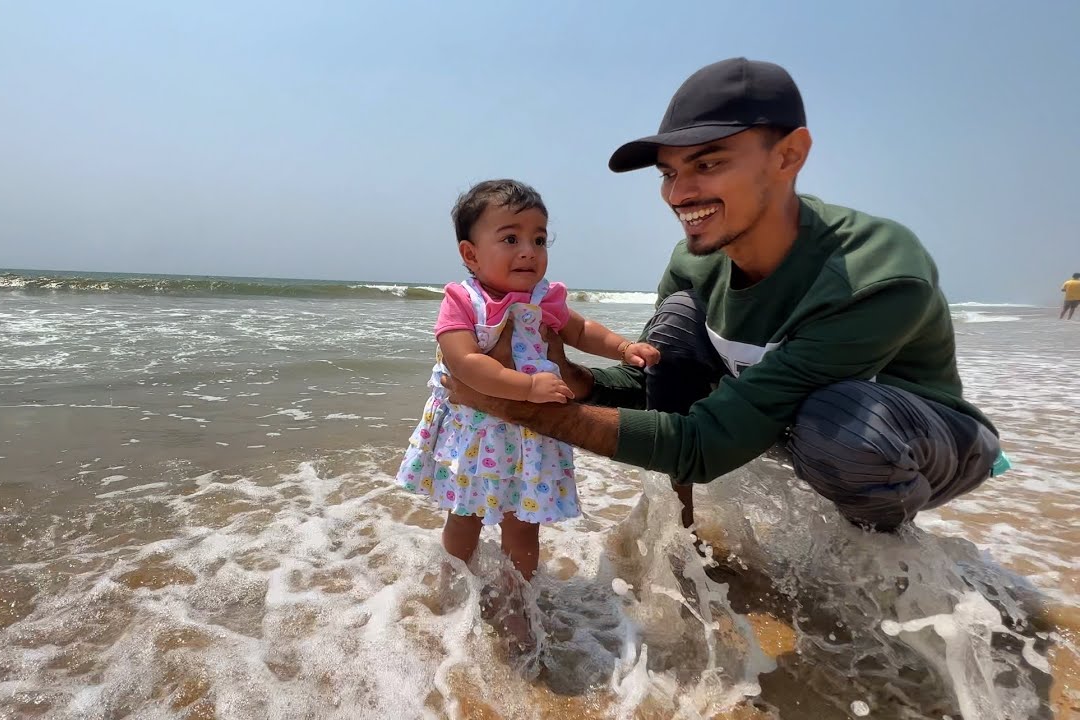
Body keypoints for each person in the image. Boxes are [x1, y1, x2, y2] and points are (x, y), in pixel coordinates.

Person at [441, 58, 1007, 533]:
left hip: (922, 440)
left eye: (708, 163)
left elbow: (705, 443)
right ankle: (682, 538)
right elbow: (663, 388)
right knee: (678, 326)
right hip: (783, 415)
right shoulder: (695, 261)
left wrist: (509, 405)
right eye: (668, 173)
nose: (679, 194)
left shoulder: (874, 274)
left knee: (841, 427)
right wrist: (574, 379)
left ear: (788, 155)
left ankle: (881, 571)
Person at [396, 179, 658, 583]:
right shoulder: (464, 301)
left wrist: (623, 348)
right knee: (465, 516)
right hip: (476, 436)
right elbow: (463, 362)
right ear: (470, 254)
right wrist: (528, 387)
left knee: (523, 524)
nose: (529, 251)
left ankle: (519, 596)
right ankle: (453, 584)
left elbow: (581, 329)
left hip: (531, 435)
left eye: (539, 240)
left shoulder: (544, 298)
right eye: (510, 239)